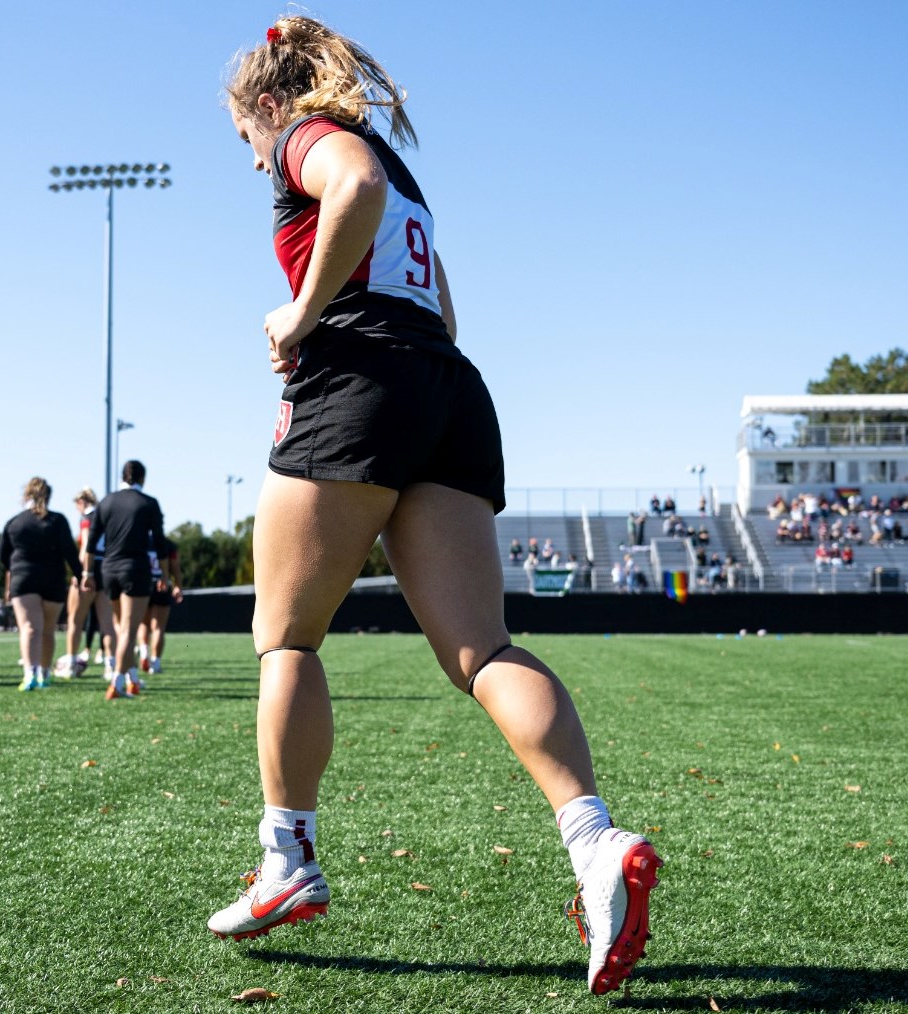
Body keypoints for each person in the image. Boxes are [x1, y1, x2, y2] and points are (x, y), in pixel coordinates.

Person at [209, 18, 658, 997]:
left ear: (271, 107)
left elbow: (352, 191)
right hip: (449, 389)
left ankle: (288, 860)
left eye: (245, 138)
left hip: (360, 385)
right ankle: (593, 839)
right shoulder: (408, 179)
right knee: (483, 651)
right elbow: (444, 314)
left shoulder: (313, 144)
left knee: (286, 635)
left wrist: (301, 312)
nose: (253, 163)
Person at [85, 460, 166, 700]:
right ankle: (116, 683)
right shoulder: (148, 503)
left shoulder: (106, 501)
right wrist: (163, 574)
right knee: (129, 631)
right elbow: (160, 543)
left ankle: (131, 677)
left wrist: (87, 574)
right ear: (143, 478)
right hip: (135, 569)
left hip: (108, 570)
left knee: (123, 629)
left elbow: (91, 542)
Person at [0, 477, 82, 691]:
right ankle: (44, 673)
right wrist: (81, 576)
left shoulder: (15, 522)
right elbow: (70, 552)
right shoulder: (58, 520)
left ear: (26, 495)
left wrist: (14, 569)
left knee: (29, 628)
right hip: (52, 579)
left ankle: (30, 673)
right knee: (47, 630)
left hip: (23, 578)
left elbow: (2, 555)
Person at [58, 488, 115, 678]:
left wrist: (81, 572)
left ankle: (72, 664)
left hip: (89, 571)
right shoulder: (106, 517)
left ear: (82, 501)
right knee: (107, 623)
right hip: (106, 570)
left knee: (75, 620)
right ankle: (110, 665)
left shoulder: (87, 518)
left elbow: (86, 547)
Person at [138, 534, 184, 674]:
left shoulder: (139, 540)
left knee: (143, 624)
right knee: (158, 627)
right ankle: (155, 663)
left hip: (143, 585)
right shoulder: (168, 544)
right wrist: (178, 585)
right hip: (162, 585)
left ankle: (144, 652)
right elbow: (175, 566)